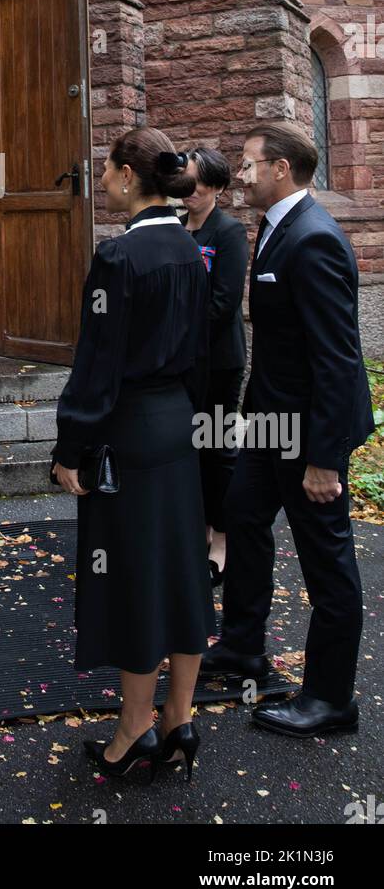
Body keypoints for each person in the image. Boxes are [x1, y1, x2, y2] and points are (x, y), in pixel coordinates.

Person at [51, 127, 215, 782]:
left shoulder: (120, 259)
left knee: (138, 578)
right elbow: (206, 352)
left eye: (107, 170)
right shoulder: (192, 248)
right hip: (177, 427)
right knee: (181, 569)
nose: (104, 180)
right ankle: (181, 716)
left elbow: (97, 367)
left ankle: (133, 731)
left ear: (125, 174)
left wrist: (70, 448)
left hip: (131, 431)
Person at [200, 121, 375, 737]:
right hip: (269, 424)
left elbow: (337, 357)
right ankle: (243, 646)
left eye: (248, 165)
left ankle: (330, 700)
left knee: (326, 561)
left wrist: (325, 457)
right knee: (243, 518)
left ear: (280, 168)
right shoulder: (275, 230)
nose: (240, 175)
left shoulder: (314, 239)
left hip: (309, 436)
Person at [181, 147, 249, 586]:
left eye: (199, 183)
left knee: (218, 451)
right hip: (180, 365)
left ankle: (222, 539)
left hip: (218, 363)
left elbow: (223, 305)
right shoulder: (173, 229)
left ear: (219, 188)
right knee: (188, 451)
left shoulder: (228, 233)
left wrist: (175, 333)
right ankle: (199, 531)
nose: (190, 190)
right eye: (185, 181)